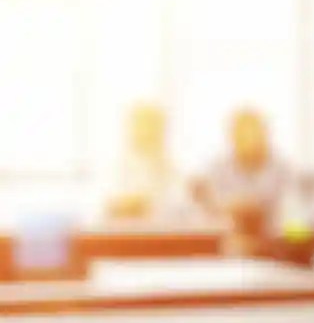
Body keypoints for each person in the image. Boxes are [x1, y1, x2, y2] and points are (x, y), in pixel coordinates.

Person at [201, 108, 295, 251]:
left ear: (265, 135)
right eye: (242, 135)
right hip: (231, 243)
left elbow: (292, 217)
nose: (249, 140)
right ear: (232, 138)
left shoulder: (282, 169)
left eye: (254, 133)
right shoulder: (218, 169)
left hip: (274, 242)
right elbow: (211, 212)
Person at [105, 102, 182, 221]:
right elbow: (107, 205)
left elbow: (177, 206)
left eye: (152, 125)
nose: (146, 130)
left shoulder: (170, 167)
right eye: (142, 125)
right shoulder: (117, 165)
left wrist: (146, 206)